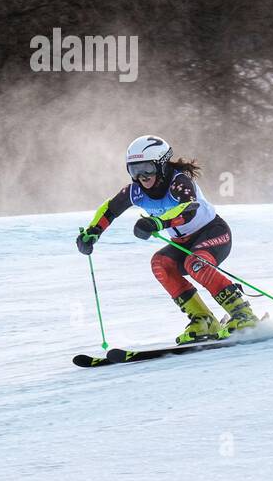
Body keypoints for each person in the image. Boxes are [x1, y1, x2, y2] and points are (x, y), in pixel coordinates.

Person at [75, 135, 258, 344]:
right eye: (134, 170)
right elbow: (110, 209)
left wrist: (158, 223)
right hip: (183, 242)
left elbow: (188, 209)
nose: (142, 176)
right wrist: (92, 233)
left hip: (213, 233)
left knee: (195, 263)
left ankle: (243, 314)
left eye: (147, 169)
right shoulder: (135, 191)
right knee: (160, 263)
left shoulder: (179, 182)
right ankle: (204, 320)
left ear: (161, 166)